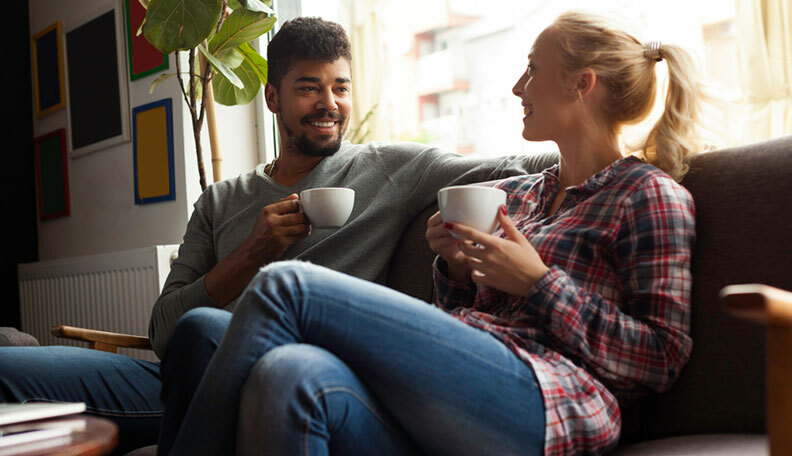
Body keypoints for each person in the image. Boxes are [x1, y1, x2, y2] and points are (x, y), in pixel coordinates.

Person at [0, 17, 555, 454]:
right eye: (309, 88)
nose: (329, 104)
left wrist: (628, 142)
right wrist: (250, 254)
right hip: (182, 373)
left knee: (202, 331)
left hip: (270, 374)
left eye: (340, 88)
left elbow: (515, 162)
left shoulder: (391, 168)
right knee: (12, 363)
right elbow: (165, 332)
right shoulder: (220, 200)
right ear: (272, 98)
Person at [162, 10, 703, 456]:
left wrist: (540, 283)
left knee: (287, 285)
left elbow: (661, 357)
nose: (518, 86)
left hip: (553, 399)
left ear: (581, 84)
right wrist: (455, 270)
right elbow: (464, 315)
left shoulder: (647, 194)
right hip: (466, 382)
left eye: (532, 70)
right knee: (288, 374)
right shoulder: (520, 194)